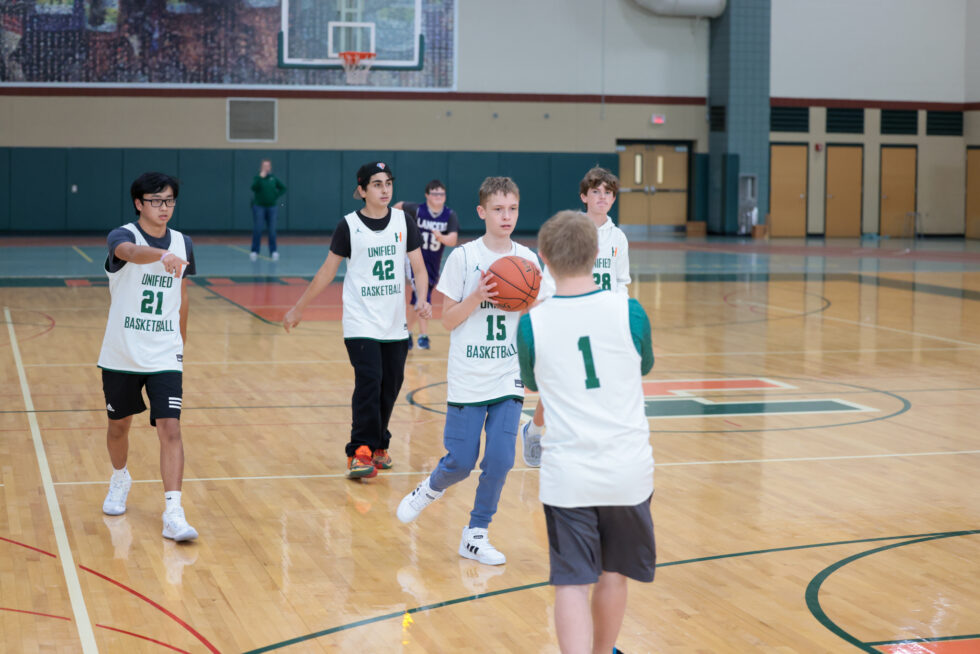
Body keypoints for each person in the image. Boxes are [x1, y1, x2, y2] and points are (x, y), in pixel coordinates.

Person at [516, 210, 654, 654]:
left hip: (569, 472)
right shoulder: (631, 312)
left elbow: (533, 382)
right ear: (598, 254)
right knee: (613, 574)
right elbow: (644, 365)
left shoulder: (531, 324)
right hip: (626, 469)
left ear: (543, 258)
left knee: (571, 583)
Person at [396, 177, 542, 566]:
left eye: (512, 209)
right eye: (498, 209)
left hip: (507, 373)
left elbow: (538, 314)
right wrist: (478, 295)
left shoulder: (528, 260)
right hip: (468, 374)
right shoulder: (463, 257)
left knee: (500, 459)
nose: (506, 216)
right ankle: (430, 487)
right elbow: (447, 321)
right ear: (482, 212)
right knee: (461, 461)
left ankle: (476, 534)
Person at [282, 162, 432, 478]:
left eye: (388, 183)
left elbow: (419, 268)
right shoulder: (348, 226)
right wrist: (299, 307)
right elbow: (327, 271)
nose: (385, 189)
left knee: (390, 386)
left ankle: (379, 445)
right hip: (360, 321)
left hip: (394, 324)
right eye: (377, 184)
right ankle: (360, 450)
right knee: (370, 381)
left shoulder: (404, 222)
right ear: (362, 190)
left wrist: (422, 298)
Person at [97, 171, 199, 542]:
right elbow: (130, 254)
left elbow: (182, 295)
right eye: (156, 201)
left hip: (164, 353)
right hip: (122, 352)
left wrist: (180, 343)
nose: (164, 207)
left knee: (170, 428)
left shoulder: (184, 243)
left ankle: (173, 511)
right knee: (118, 426)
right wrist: (163, 255)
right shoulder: (122, 235)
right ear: (139, 203)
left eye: (169, 200)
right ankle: (120, 477)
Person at [521, 166, 631, 468]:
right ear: (584, 196)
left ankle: (589, 444)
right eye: (596, 191)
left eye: (608, 192)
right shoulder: (569, 232)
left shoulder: (618, 238)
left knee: (599, 386)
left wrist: (620, 313)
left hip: (604, 322)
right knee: (558, 385)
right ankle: (534, 430)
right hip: (568, 317)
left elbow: (622, 281)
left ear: (613, 199)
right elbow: (550, 278)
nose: (602, 197)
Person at [394, 179, 459, 350]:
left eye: (441, 194)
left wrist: (441, 237)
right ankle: (423, 336)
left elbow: (453, 239)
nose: (439, 196)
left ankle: (406, 334)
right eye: (435, 193)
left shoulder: (449, 215)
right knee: (423, 295)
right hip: (414, 261)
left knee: (416, 298)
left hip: (433, 263)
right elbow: (398, 206)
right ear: (427, 195)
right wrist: (394, 225)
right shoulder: (418, 210)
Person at [250, 158, 286, 261]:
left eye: (268, 166)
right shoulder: (257, 178)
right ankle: (255, 250)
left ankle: (273, 250)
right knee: (258, 229)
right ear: (261, 167)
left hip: (272, 207)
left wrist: (275, 195)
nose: (266, 167)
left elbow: (283, 188)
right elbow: (253, 188)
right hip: (259, 207)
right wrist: (260, 178)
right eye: (264, 166)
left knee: (272, 230)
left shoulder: (273, 178)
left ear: (270, 167)